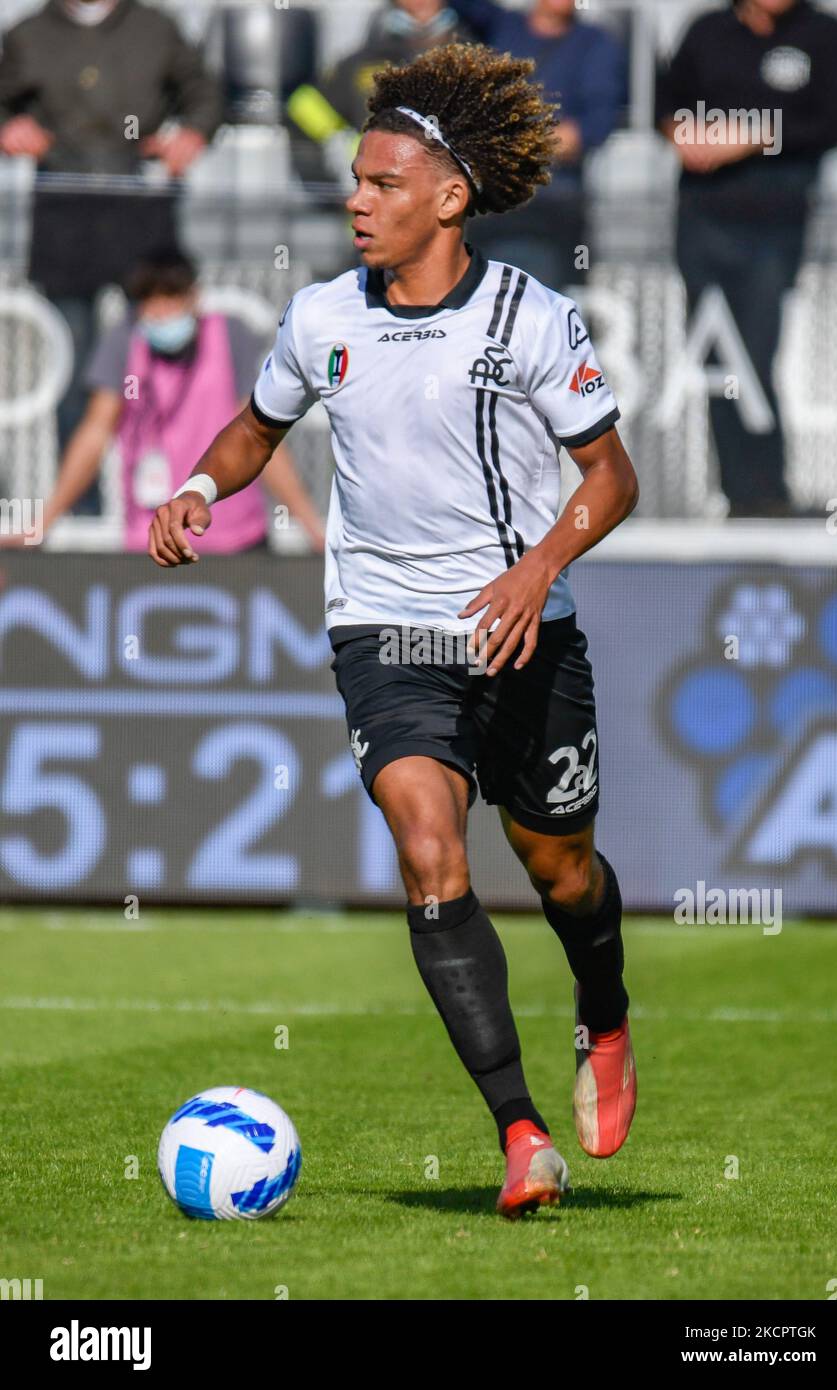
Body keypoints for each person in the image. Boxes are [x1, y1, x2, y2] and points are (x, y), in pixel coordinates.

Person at [148, 44, 639, 1218]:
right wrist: (201, 490)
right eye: (353, 183)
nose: (355, 201)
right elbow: (252, 430)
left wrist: (538, 566)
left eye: (379, 183)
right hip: (385, 627)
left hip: (523, 631)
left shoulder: (528, 316)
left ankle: (605, 1016)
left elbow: (612, 475)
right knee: (426, 847)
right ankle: (520, 1132)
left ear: (448, 197)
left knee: (559, 868)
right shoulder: (321, 315)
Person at [0, 0, 222, 504]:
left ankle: (171, 501)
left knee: (158, 368)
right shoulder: (28, 34)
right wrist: (8, 128)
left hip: (140, 216)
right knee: (74, 374)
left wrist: (191, 134)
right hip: (63, 221)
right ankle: (80, 513)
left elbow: (204, 93)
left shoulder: (156, 28)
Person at [656, 0, 837, 517]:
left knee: (755, 352)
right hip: (702, 216)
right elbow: (668, 103)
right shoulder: (706, 31)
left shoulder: (827, 33)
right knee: (714, 356)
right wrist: (683, 135)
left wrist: (750, 138)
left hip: (775, 221)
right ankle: (738, 492)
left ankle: (767, 489)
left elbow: (831, 123)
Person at [34, 249, 324, 553]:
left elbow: (260, 436)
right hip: (155, 539)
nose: (160, 311)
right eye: (150, 301)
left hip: (236, 538)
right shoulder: (125, 342)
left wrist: (310, 526)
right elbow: (94, 435)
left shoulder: (228, 335)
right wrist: (44, 524)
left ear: (193, 297)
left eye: (170, 298)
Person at [447, 0, 627, 288]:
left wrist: (505, 138)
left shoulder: (595, 43)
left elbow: (588, 130)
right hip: (489, 206)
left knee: (538, 299)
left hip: (553, 205)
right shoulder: (502, 26)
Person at [286, 0, 471, 194]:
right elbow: (302, 118)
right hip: (374, 209)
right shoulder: (361, 65)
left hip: (460, 214)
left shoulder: (478, 62)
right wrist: (328, 191)